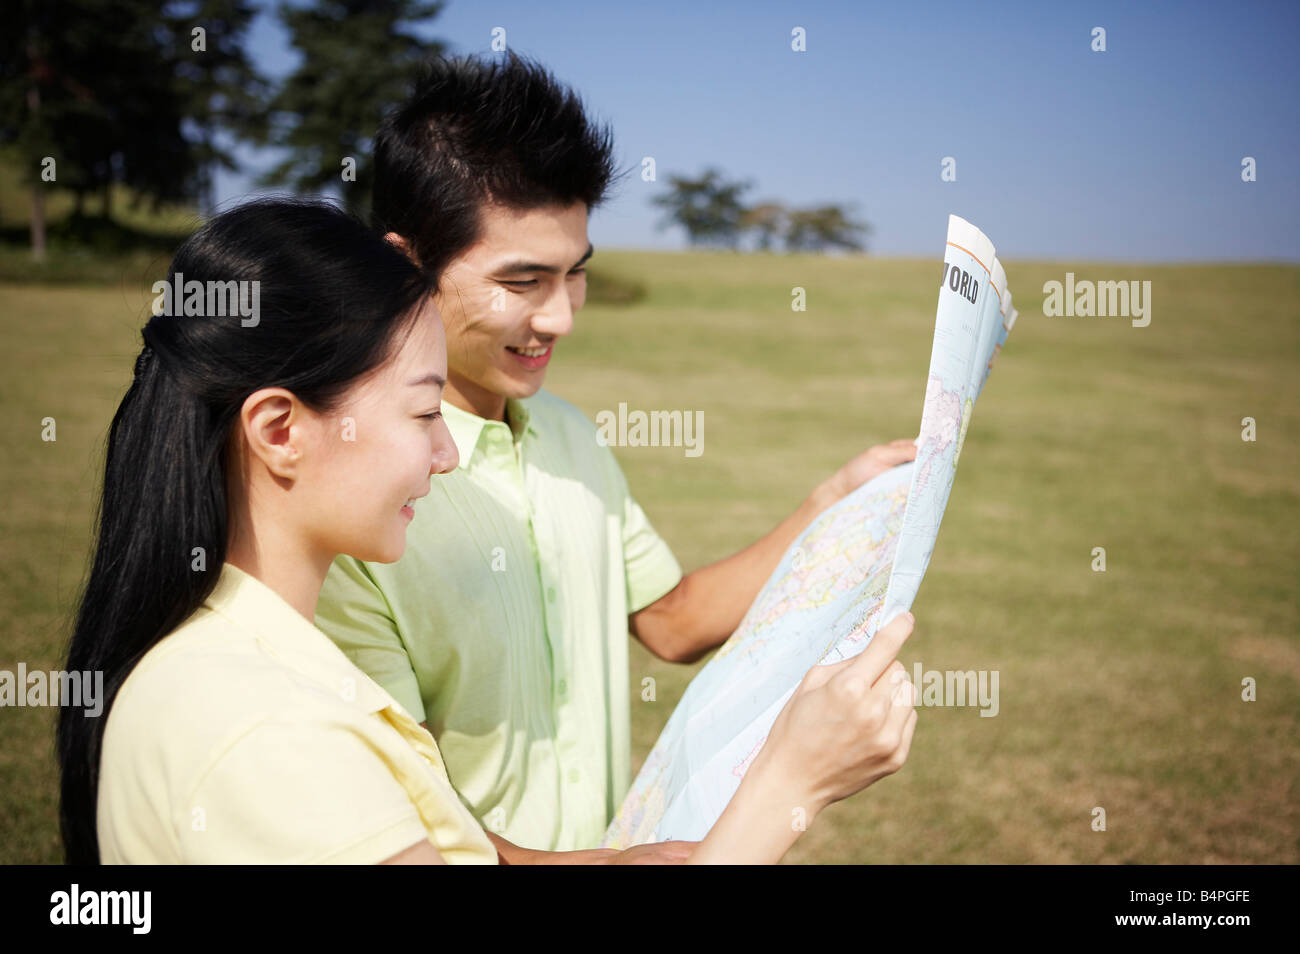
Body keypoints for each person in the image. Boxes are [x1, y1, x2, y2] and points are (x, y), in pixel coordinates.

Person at [55, 199, 917, 865]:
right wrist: (788, 785)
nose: (447, 453)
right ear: (281, 430)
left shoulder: (276, 667)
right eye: (426, 412)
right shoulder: (261, 727)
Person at [315, 51, 918, 856]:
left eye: (575, 275)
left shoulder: (570, 433)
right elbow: (402, 816)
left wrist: (831, 503)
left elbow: (671, 622)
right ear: (405, 263)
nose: (561, 318)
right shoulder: (347, 493)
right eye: (523, 281)